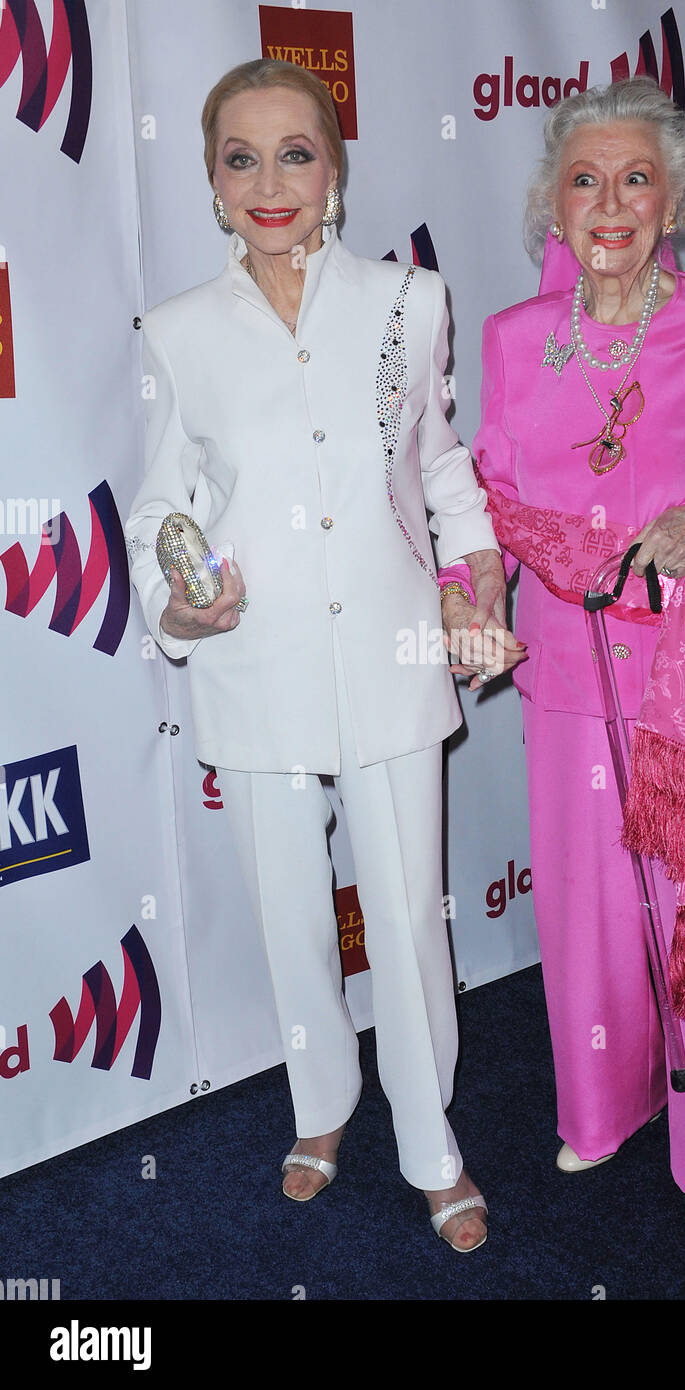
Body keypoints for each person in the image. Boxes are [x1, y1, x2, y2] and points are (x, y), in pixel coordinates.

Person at [124, 58, 522, 1252]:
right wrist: (173, 609)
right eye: (239, 158)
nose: (269, 181)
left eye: (294, 152)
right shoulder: (178, 334)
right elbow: (157, 515)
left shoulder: (410, 304)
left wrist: (479, 574)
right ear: (209, 181)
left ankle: (429, 1141)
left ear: (336, 168)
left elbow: (440, 468)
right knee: (292, 915)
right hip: (252, 667)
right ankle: (320, 1104)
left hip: (395, 654)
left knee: (405, 918)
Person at [440, 76, 685, 1263]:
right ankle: (604, 1106)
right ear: (555, 199)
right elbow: (484, 508)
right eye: (585, 178)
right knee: (590, 909)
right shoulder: (508, 342)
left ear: (674, 198)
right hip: (565, 674)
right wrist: (473, 594)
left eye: (636, 178)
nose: (610, 203)